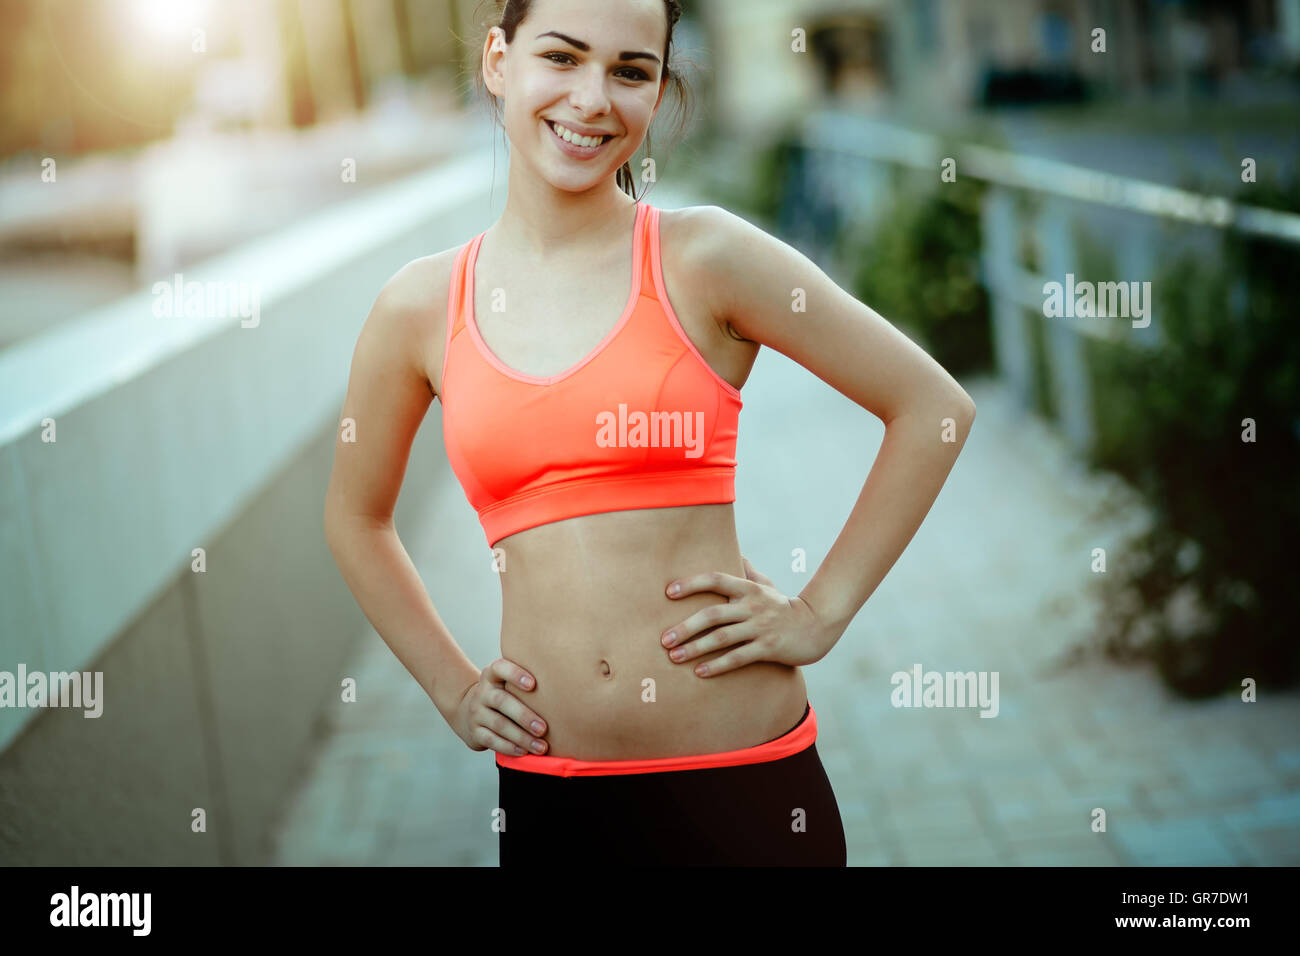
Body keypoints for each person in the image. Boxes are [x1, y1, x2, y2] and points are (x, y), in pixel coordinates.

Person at [323, 0, 976, 867]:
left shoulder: (706, 260)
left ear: (660, 91)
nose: (592, 98)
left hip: (744, 786)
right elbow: (356, 517)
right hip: (554, 799)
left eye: (630, 71)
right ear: (497, 61)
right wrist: (451, 689)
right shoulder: (418, 307)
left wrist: (820, 612)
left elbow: (932, 408)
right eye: (561, 57)